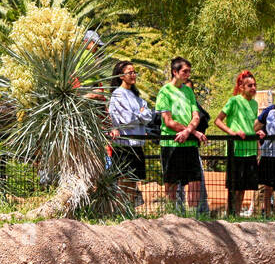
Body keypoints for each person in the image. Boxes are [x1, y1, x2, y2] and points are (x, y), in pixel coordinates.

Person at [154, 56, 207, 213]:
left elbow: (196, 116)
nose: (187, 74)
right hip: (171, 143)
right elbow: (168, 121)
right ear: (174, 72)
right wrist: (192, 131)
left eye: (189, 71)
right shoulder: (164, 92)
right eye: (185, 71)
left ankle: (193, 217)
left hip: (189, 142)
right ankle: (172, 214)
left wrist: (188, 131)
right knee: (171, 181)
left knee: (195, 180)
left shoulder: (188, 90)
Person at [214, 70, 261, 216]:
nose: (253, 88)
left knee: (244, 187)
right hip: (236, 150)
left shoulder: (254, 104)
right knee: (234, 186)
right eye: (250, 85)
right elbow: (217, 120)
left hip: (251, 150)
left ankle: (237, 215)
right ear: (241, 87)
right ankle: (230, 215)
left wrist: (258, 133)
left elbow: (252, 125)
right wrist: (232, 132)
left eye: (254, 85)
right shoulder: (233, 101)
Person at [107, 61, 152, 208]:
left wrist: (140, 114)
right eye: (129, 72)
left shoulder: (135, 95)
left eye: (134, 72)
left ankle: (129, 212)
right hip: (124, 145)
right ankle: (118, 211)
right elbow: (127, 120)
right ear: (121, 76)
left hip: (137, 144)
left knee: (133, 182)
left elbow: (148, 115)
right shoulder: (118, 94)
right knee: (123, 181)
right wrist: (140, 114)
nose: (133, 75)